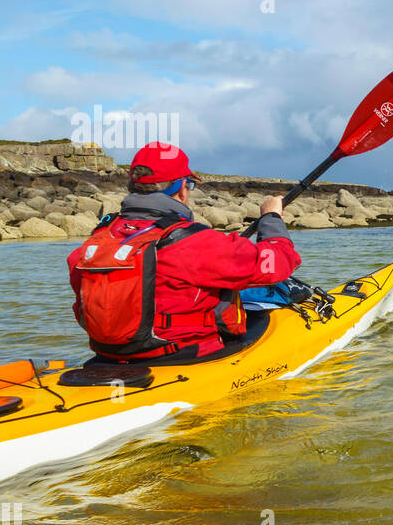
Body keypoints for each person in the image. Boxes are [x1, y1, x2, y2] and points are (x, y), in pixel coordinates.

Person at [68, 142, 301, 362]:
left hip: (110, 356)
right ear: (181, 189)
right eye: (189, 184)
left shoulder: (100, 237)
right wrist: (271, 218)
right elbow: (279, 262)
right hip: (185, 356)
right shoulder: (196, 241)